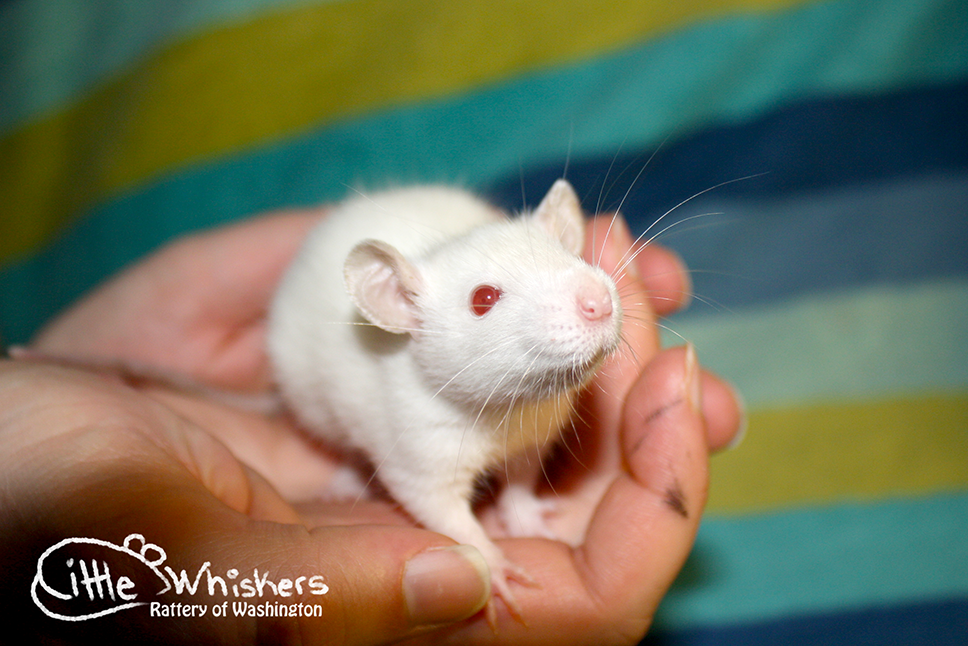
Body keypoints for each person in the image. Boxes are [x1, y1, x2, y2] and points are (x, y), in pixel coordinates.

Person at [0, 205, 743, 645]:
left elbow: (535, 439)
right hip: (317, 346)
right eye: (486, 299)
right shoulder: (414, 405)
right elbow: (431, 490)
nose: (596, 298)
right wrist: (482, 550)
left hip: (437, 232)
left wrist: (519, 496)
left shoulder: (537, 387)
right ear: (402, 311)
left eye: (563, 257)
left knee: (534, 436)